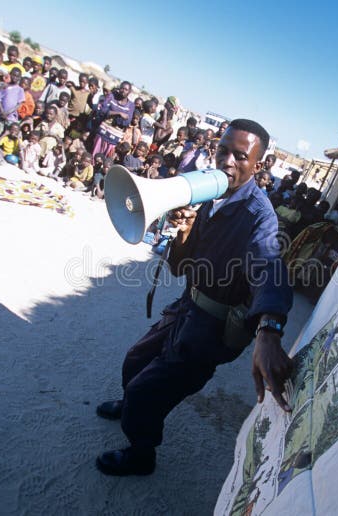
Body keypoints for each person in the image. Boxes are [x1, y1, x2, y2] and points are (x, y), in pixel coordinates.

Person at [95, 119, 293, 476]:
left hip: (210, 330)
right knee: (135, 361)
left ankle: (141, 456)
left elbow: (269, 265)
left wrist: (269, 329)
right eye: (223, 151)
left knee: (148, 393)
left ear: (258, 165)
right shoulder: (211, 197)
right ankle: (130, 406)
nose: (228, 161)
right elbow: (181, 266)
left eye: (240, 156)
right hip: (187, 308)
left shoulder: (258, 216)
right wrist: (185, 229)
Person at [91, 80, 134, 157]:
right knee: (94, 156)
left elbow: (126, 122)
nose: (123, 91)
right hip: (102, 132)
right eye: (122, 88)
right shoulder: (112, 96)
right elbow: (102, 111)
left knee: (106, 160)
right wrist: (119, 114)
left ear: (129, 92)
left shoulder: (131, 105)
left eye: (126, 89)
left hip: (114, 138)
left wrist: (111, 115)